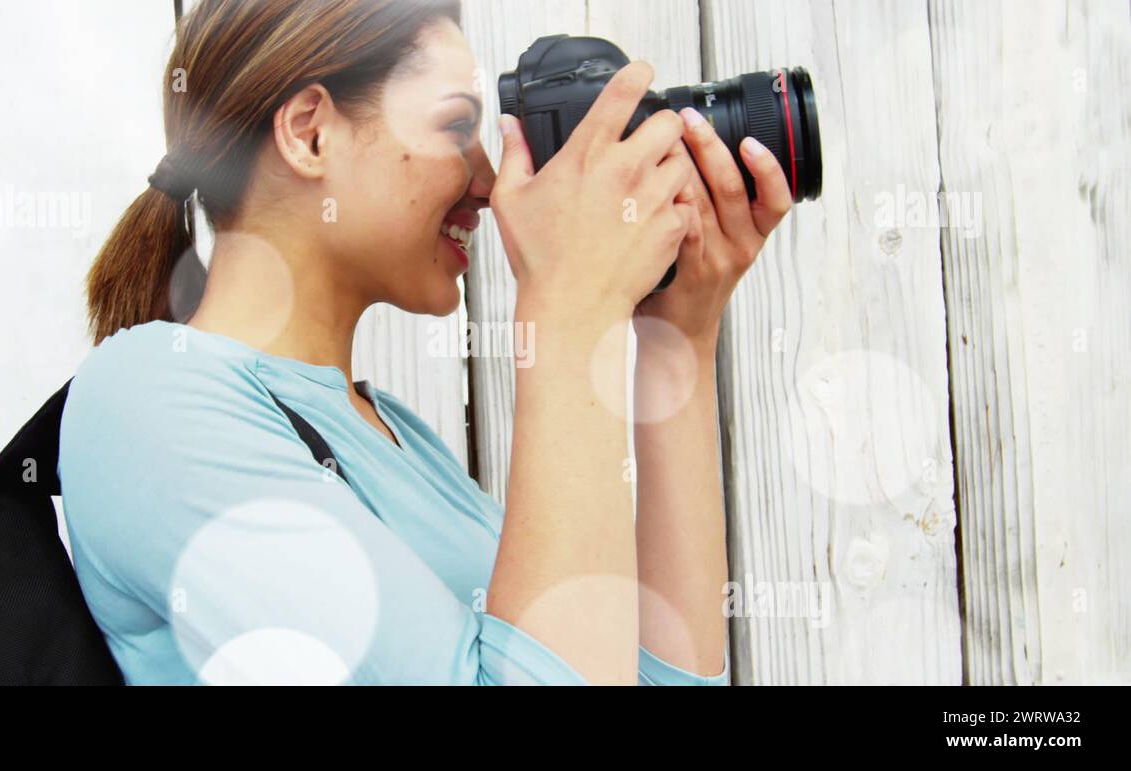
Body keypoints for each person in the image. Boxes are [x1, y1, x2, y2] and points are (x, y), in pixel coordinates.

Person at [60, 0, 793, 685]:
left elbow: (651, 677)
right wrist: (570, 306)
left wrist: (679, 334)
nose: (487, 181)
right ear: (311, 131)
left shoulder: (394, 437)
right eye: (454, 126)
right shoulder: (151, 400)